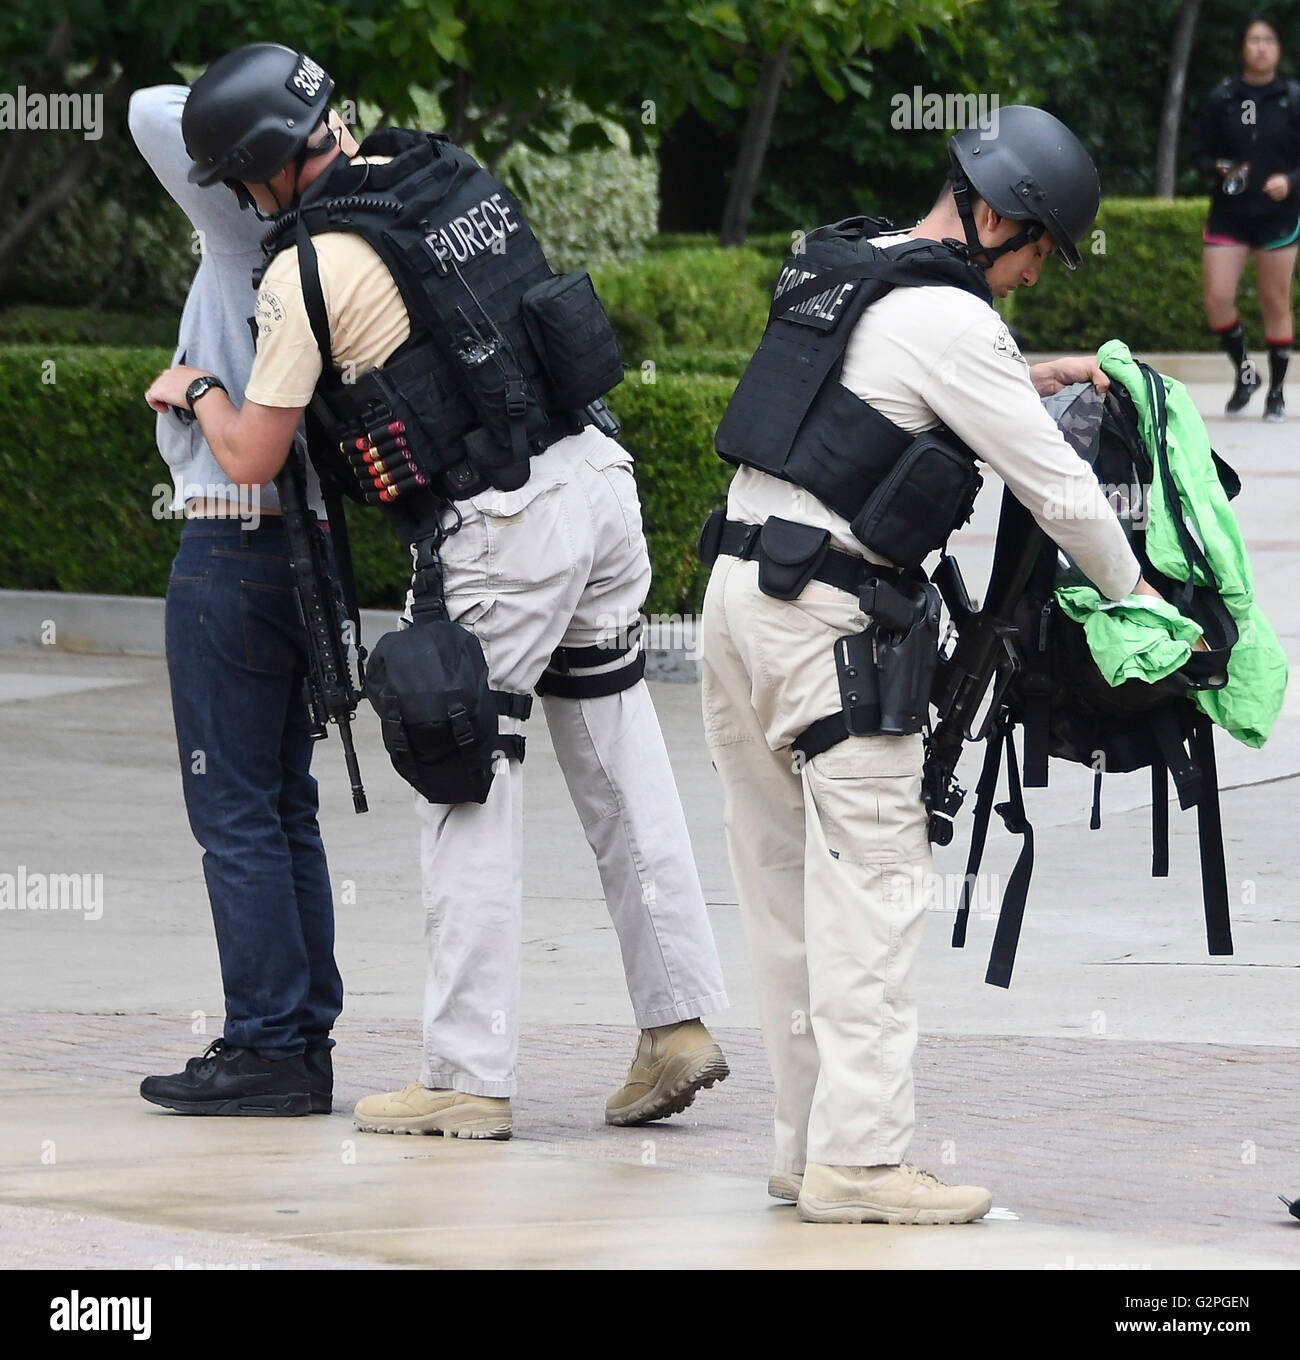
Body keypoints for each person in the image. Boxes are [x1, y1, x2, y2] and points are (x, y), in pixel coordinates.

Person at [145, 44, 730, 1141]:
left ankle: (467, 1076)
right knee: (622, 768)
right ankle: (678, 1024)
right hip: (600, 483)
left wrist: (198, 387)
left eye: (238, 179)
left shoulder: (306, 271)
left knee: (463, 777)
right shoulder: (444, 174)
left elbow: (254, 455)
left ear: (267, 166)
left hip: (501, 521)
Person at [701, 105, 1162, 1223]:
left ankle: (802, 1142)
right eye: (1036, 252)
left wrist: (1017, 367)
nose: (1033, 278)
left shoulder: (845, 264)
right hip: (830, 630)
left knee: (783, 898)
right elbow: (1055, 487)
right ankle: (859, 1164)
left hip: (732, 601)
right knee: (870, 891)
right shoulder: (955, 325)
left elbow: (874, 397)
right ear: (996, 216)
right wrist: (1140, 598)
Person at [129, 85, 354, 1116]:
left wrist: (195, 387)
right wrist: (316, 120)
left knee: (234, 812)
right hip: (302, 553)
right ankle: (298, 1039)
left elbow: (148, 108)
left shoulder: (239, 230)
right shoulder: (325, 239)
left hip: (229, 540)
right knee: (280, 802)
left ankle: (266, 1041)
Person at [1191, 12, 1300, 420]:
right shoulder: (1223, 98)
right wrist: (1220, 167)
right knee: (1218, 299)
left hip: (1278, 216)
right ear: (1242, 47)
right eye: (1253, 40)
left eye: (1268, 40)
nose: (1260, 47)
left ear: (1279, 48)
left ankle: (1277, 392)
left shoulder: (1292, 97)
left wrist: (1290, 181)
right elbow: (1199, 154)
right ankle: (1245, 372)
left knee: (1276, 301)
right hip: (1229, 214)